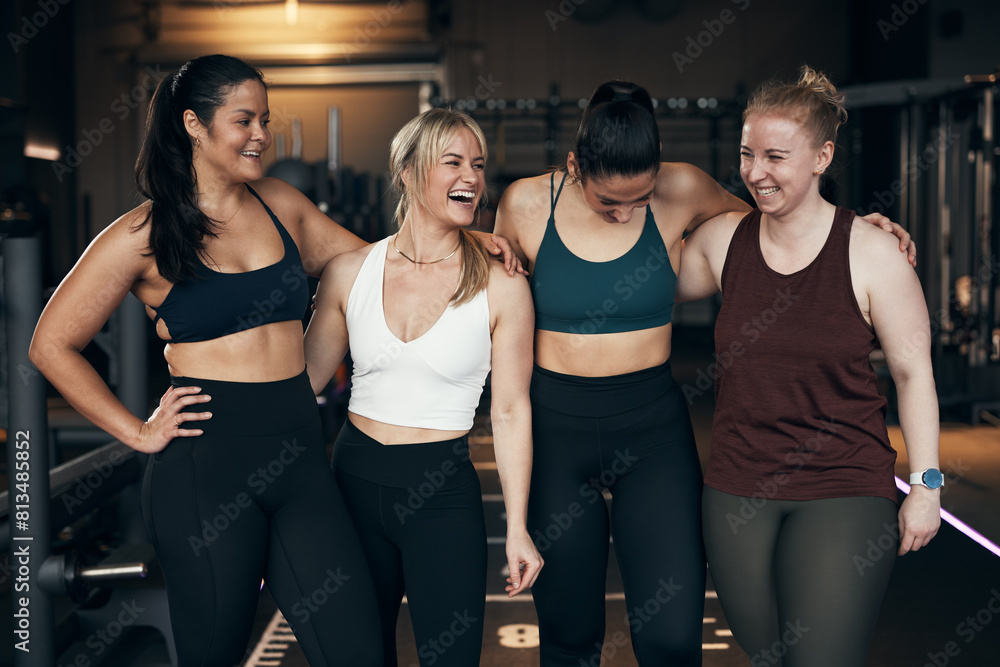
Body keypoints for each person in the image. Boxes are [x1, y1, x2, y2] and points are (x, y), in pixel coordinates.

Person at [28, 54, 519, 666]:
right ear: (193, 125)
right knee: (216, 653)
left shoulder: (281, 205)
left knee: (358, 650)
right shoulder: (142, 235)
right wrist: (138, 431)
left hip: (300, 466)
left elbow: (386, 264)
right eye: (244, 120)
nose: (261, 134)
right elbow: (50, 345)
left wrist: (466, 238)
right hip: (206, 469)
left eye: (265, 118)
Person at [492, 80, 915, 666]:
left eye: (639, 201)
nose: (623, 215)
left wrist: (860, 235)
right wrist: (470, 239)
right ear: (572, 166)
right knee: (568, 630)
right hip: (558, 431)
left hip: (651, 432)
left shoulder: (684, 186)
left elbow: (779, 228)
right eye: (606, 202)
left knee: (670, 635)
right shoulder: (522, 204)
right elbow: (484, 281)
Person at [677, 66, 941, 667]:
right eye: (747, 155)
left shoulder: (875, 253)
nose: (755, 172)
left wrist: (926, 484)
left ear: (823, 156)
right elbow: (630, 285)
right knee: (769, 652)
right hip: (738, 486)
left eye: (776, 156)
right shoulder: (724, 241)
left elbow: (912, 374)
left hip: (844, 483)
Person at [303, 107, 542, 667]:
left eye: (478, 165)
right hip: (354, 482)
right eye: (452, 161)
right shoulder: (350, 272)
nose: (472, 177)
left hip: (442, 493)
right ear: (407, 173)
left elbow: (509, 411)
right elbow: (299, 389)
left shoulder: (503, 285)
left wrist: (518, 529)